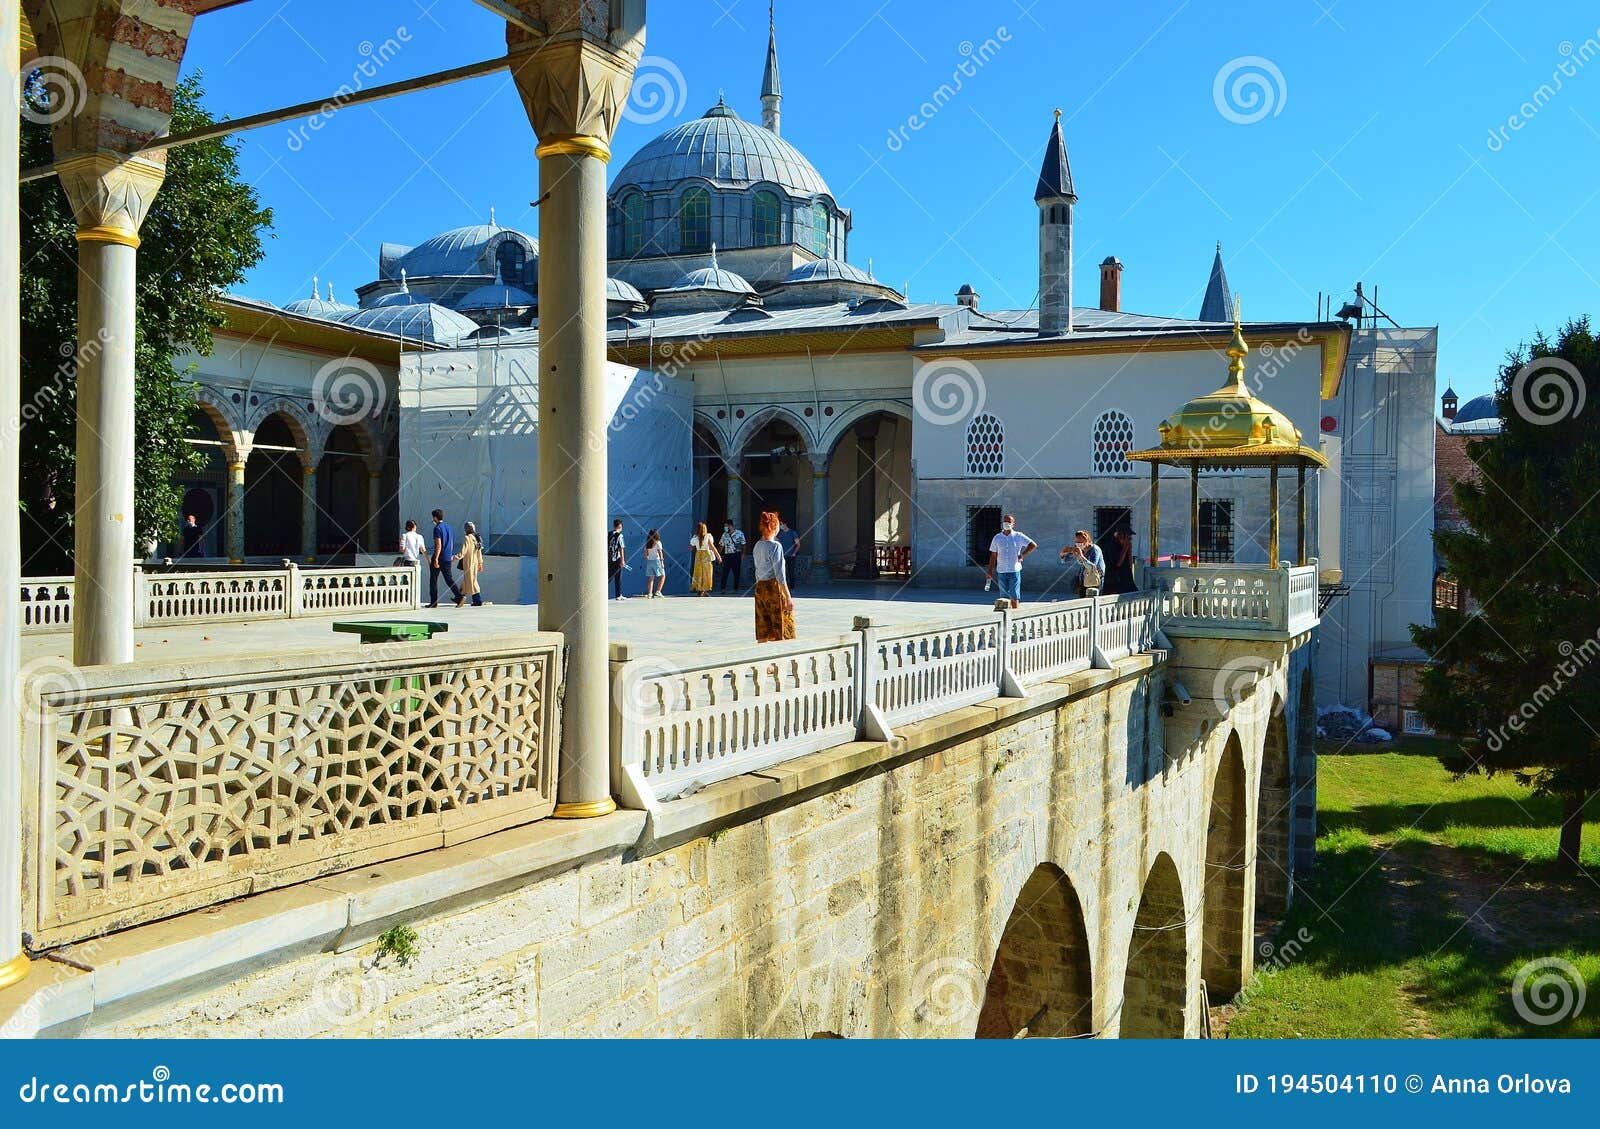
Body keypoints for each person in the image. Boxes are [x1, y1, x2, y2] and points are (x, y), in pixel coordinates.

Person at [751, 510, 795, 643]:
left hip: (760, 587)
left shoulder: (757, 545)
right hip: (773, 588)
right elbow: (780, 575)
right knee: (780, 628)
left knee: (763, 627)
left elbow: (757, 570)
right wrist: (788, 597)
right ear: (774, 526)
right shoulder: (776, 546)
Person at [985, 513, 1036, 609]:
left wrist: (1023, 555)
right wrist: (990, 571)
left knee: (1014, 596)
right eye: (1005, 521)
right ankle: (1006, 619)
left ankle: (1015, 619)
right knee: (1003, 597)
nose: (1006, 523)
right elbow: (993, 555)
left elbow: (1033, 545)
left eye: (1009, 522)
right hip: (1001, 571)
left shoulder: (1019, 536)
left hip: (1014, 570)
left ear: (1013, 524)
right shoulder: (997, 537)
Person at [428, 508, 463, 609]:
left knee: (433, 580)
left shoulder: (437, 528)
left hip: (439, 556)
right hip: (448, 556)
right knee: (449, 579)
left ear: (435, 517)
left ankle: (433, 602)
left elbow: (438, 545)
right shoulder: (449, 527)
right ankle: (459, 596)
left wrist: (436, 558)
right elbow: (450, 543)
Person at [1059, 529, 1107, 598]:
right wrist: (1063, 553)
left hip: (1095, 580)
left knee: (1093, 601)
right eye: (1077, 542)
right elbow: (1064, 560)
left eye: (1080, 542)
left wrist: (1081, 556)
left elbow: (1092, 567)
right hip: (1084, 579)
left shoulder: (1095, 549)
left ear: (1086, 540)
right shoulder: (1078, 548)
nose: (1078, 544)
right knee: (1082, 600)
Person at [454, 521, 486, 607]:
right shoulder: (476, 538)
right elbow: (479, 552)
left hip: (468, 563)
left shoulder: (467, 538)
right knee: (467, 581)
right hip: (475, 563)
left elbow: (463, 552)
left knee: (472, 581)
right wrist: (480, 563)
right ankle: (459, 597)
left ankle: (477, 600)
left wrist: (455, 557)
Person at [689, 522, 721, 596]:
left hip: (698, 556)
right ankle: (704, 590)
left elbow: (690, 548)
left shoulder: (695, 537)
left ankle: (699, 589)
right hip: (706, 556)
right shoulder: (708, 536)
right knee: (706, 573)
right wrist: (718, 556)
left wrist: (696, 546)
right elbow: (712, 547)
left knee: (698, 572)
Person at [1103, 528, 1136, 595]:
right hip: (1115, 582)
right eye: (1128, 538)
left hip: (1126, 581)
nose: (1129, 541)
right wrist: (1125, 548)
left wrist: (1129, 550)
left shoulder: (1124, 546)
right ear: (1120, 536)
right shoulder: (1111, 546)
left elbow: (1129, 565)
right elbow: (1118, 564)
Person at [718, 518, 746, 594]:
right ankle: (723, 588)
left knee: (736, 572)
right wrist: (719, 554)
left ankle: (735, 588)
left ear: (731, 526)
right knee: (725, 572)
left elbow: (743, 544)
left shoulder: (739, 533)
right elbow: (721, 545)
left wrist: (743, 554)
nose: (725, 528)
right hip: (727, 555)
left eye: (726, 526)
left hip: (736, 555)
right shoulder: (724, 534)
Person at [642, 529, 666, 599]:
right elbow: (660, 553)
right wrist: (662, 562)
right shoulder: (658, 542)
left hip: (650, 561)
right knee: (663, 576)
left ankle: (649, 594)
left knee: (651, 578)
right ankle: (658, 591)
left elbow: (645, 553)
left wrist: (648, 558)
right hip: (657, 561)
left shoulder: (647, 543)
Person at [608, 519, 628, 601]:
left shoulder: (608, 534)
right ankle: (618, 595)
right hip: (617, 558)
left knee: (609, 575)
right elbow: (621, 548)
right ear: (620, 526)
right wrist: (622, 560)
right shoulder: (620, 536)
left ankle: (600, 591)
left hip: (609, 558)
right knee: (618, 577)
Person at [776, 520, 800, 588]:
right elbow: (775, 542)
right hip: (781, 556)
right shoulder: (779, 533)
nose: (780, 526)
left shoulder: (792, 533)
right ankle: (782, 585)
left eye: (781, 524)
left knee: (791, 571)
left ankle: (792, 585)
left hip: (790, 556)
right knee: (781, 571)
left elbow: (798, 544)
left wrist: (794, 553)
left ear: (785, 524)